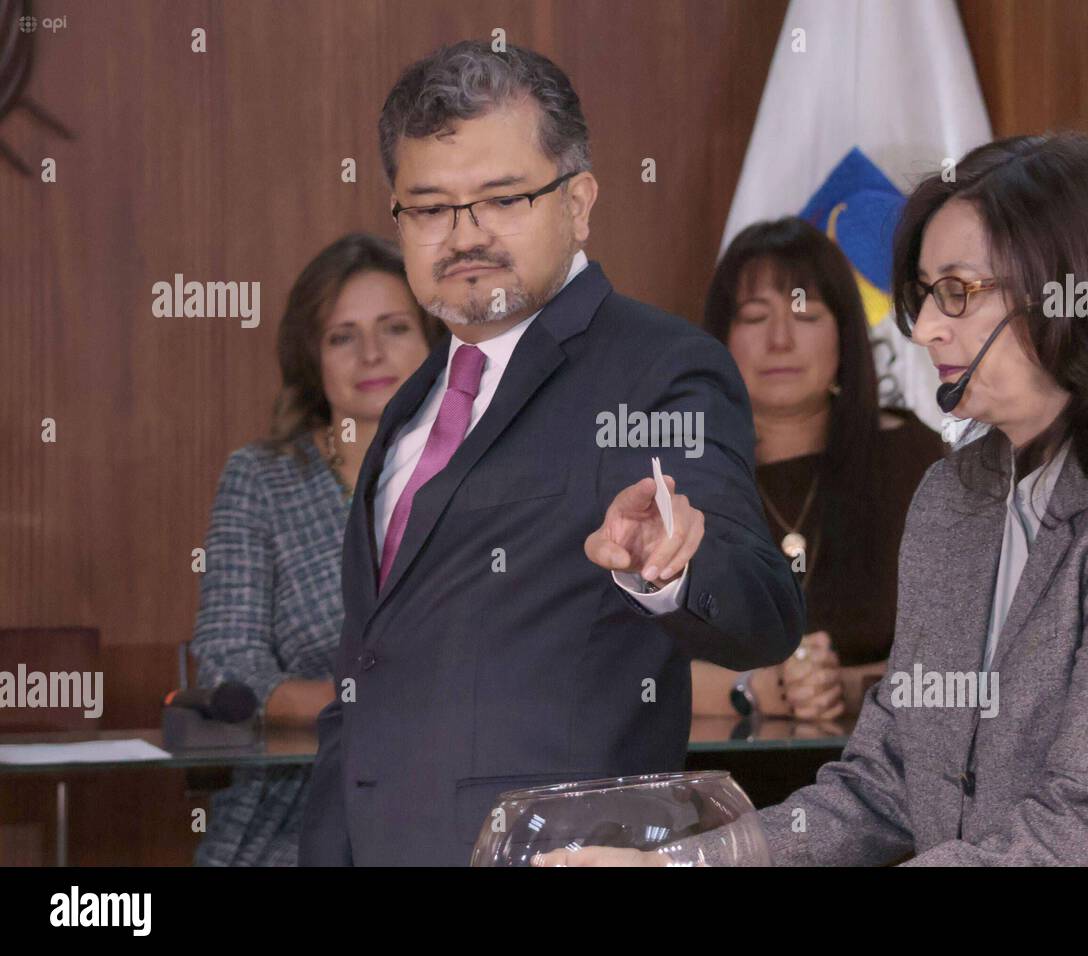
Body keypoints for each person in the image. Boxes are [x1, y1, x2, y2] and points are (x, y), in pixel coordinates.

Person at [538, 132, 1088, 867]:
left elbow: (1086, 832)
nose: (927, 326)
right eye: (927, 294)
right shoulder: (952, 492)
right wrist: (685, 865)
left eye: (959, 293)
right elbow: (887, 779)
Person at [297, 41, 803, 866]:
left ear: (580, 203)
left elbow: (762, 608)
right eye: (428, 208)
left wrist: (672, 566)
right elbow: (368, 685)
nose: (464, 236)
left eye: (502, 198)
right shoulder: (411, 406)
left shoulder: (657, 369)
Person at [191, 233, 439, 865]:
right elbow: (230, 665)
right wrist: (378, 704)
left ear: (436, 342)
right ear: (313, 357)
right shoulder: (260, 478)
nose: (371, 353)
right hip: (292, 814)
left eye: (395, 328)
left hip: (448, 806)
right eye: (341, 336)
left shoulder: (482, 474)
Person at [692, 218, 944, 722]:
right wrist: (761, 689)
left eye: (805, 316)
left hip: (892, 774)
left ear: (845, 334)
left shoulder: (914, 460)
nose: (780, 340)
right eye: (755, 316)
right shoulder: (683, 471)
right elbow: (631, 668)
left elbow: (970, 654)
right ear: (721, 338)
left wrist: (844, 688)